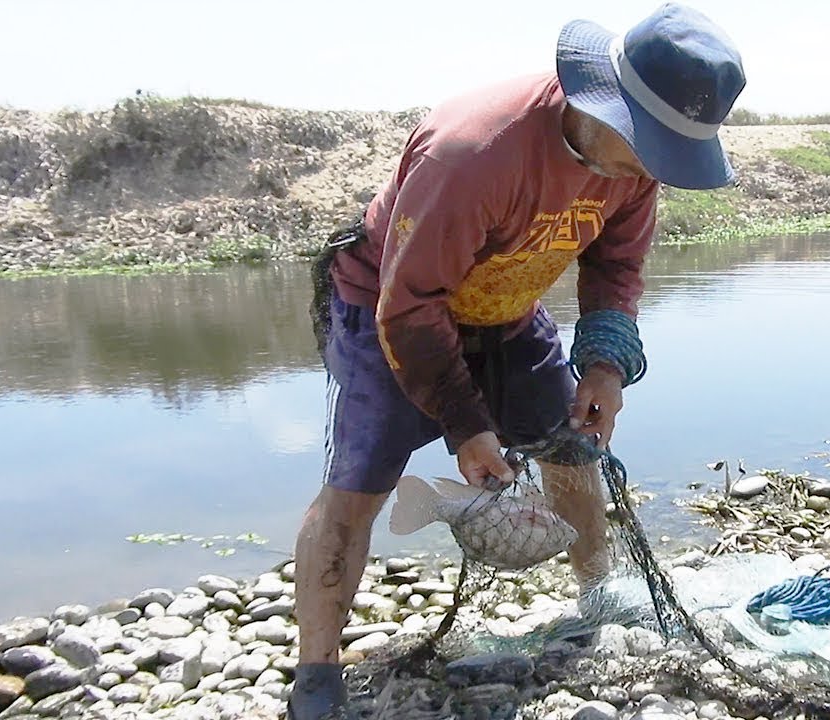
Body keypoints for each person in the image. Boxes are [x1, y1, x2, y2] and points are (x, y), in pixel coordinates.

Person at [288, 3, 746, 718]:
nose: (651, 167)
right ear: (606, 105)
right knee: (357, 487)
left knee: (572, 451)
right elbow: (409, 307)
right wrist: (466, 423)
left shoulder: (637, 164)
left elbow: (616, 267)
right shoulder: (474, 152)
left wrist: (604, 366)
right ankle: (315, 672)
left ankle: (597, 599)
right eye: (649, 145)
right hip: (389, 309)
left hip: (507, 305)